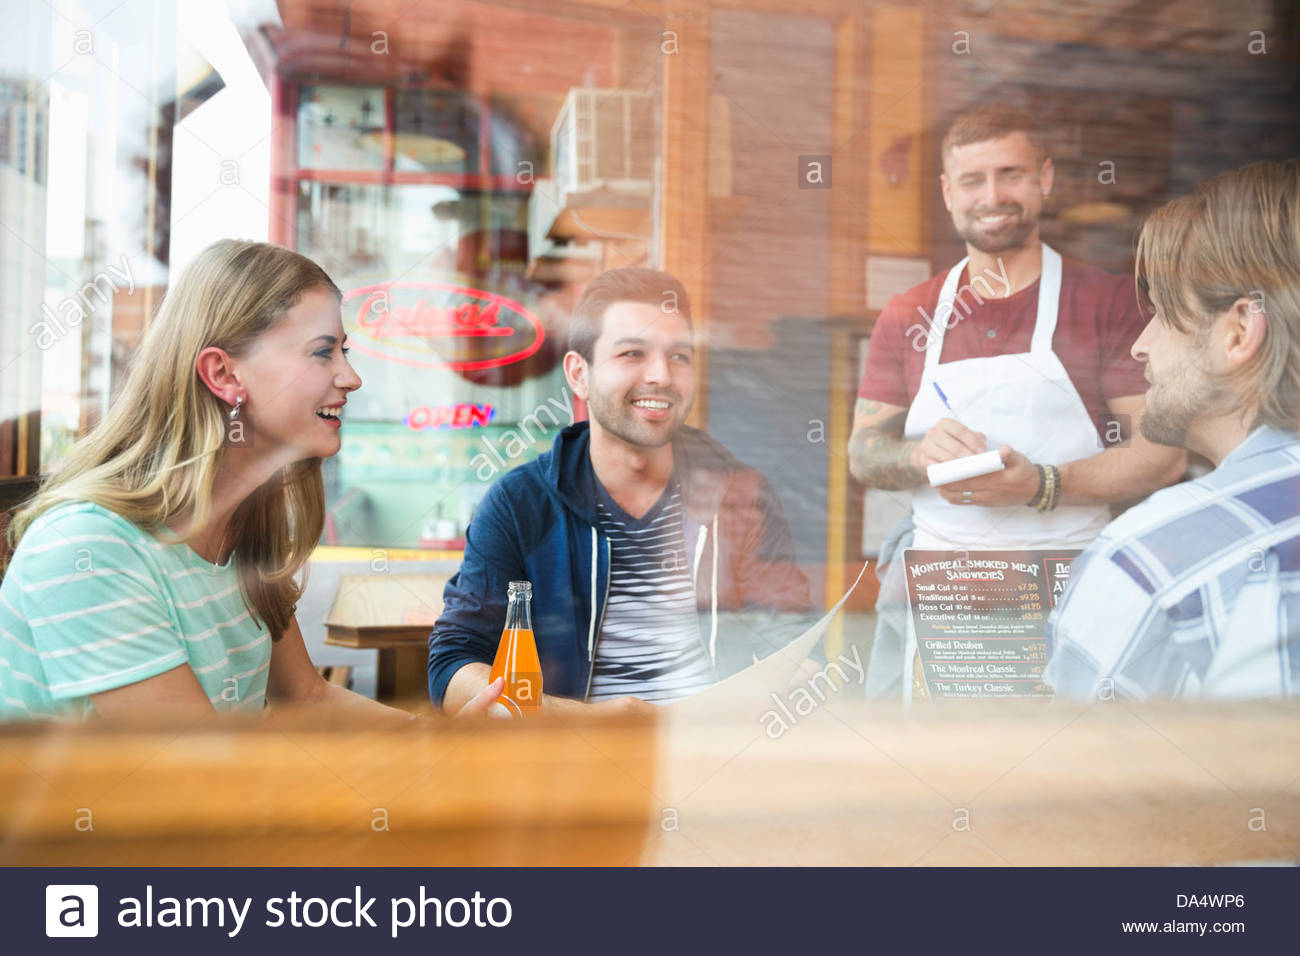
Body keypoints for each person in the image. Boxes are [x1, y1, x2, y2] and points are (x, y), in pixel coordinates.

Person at [0, 239, 502, 722]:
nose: (351, 377)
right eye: (322, 352)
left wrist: (439, 744)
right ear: (223, 375)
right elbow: (202, 779)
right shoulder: (90, 548)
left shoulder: (245, 528)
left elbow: (306, 701)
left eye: (344, 352)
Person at [848, 105, 1186, 701]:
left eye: (1011, 174)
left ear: (1045, 179)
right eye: (973, 181)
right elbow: (864, 453)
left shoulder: (1107, 303)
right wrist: (919, 457)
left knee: (1061, 770)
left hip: (1070, 585)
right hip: (945, 592)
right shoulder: (909, 314)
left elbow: (1163, 456)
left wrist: (1042, 486)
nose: (993, 195)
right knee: (938, 771)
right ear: (949, 193)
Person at [428, 267, 815, 714]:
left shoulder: (739, 494)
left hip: (706, 754)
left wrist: (790, 682)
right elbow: (454, 660)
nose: (661, 375)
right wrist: (584, 722)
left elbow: (792, 640)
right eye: (632, 353)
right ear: (579, 374)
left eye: (680, 356)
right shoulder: (520, 504)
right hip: (570, 764)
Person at [1045, 160, 1300, 700]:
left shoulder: (1151, 564)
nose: (1142, 344)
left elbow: (1066, 778)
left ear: (1237, 333)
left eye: (1162, 312)